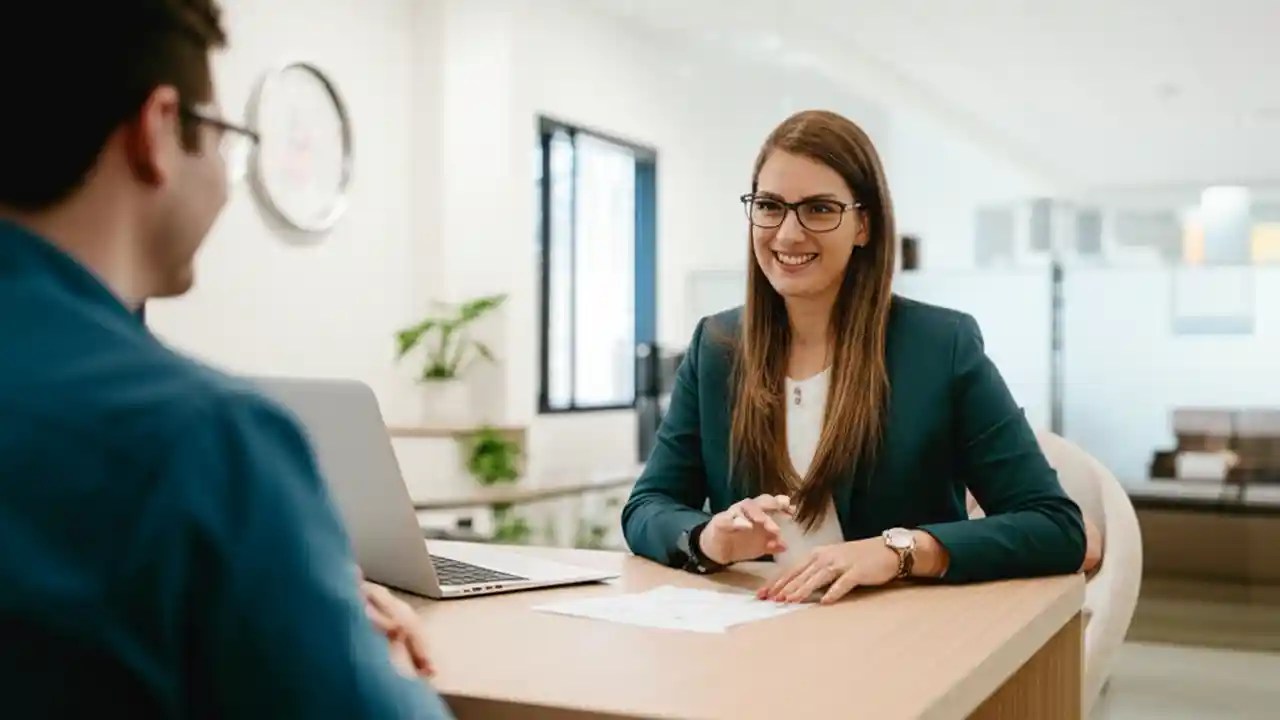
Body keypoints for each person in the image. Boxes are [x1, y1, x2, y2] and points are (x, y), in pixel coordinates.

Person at [0, 2, 451, 717]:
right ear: (156, 131)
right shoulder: (206, 441)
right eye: (221, 138)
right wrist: (317, 626)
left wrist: (275, 584)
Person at [622, 109, 1092, 604]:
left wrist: (900, 550)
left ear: (863, 224)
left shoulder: (940, 345)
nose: (787, 234)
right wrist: (708, 538)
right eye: (770, 206)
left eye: (820, 209)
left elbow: (1054, 526)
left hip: (893, 638)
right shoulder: (717, 345)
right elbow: (647, 507)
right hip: (756, 633)